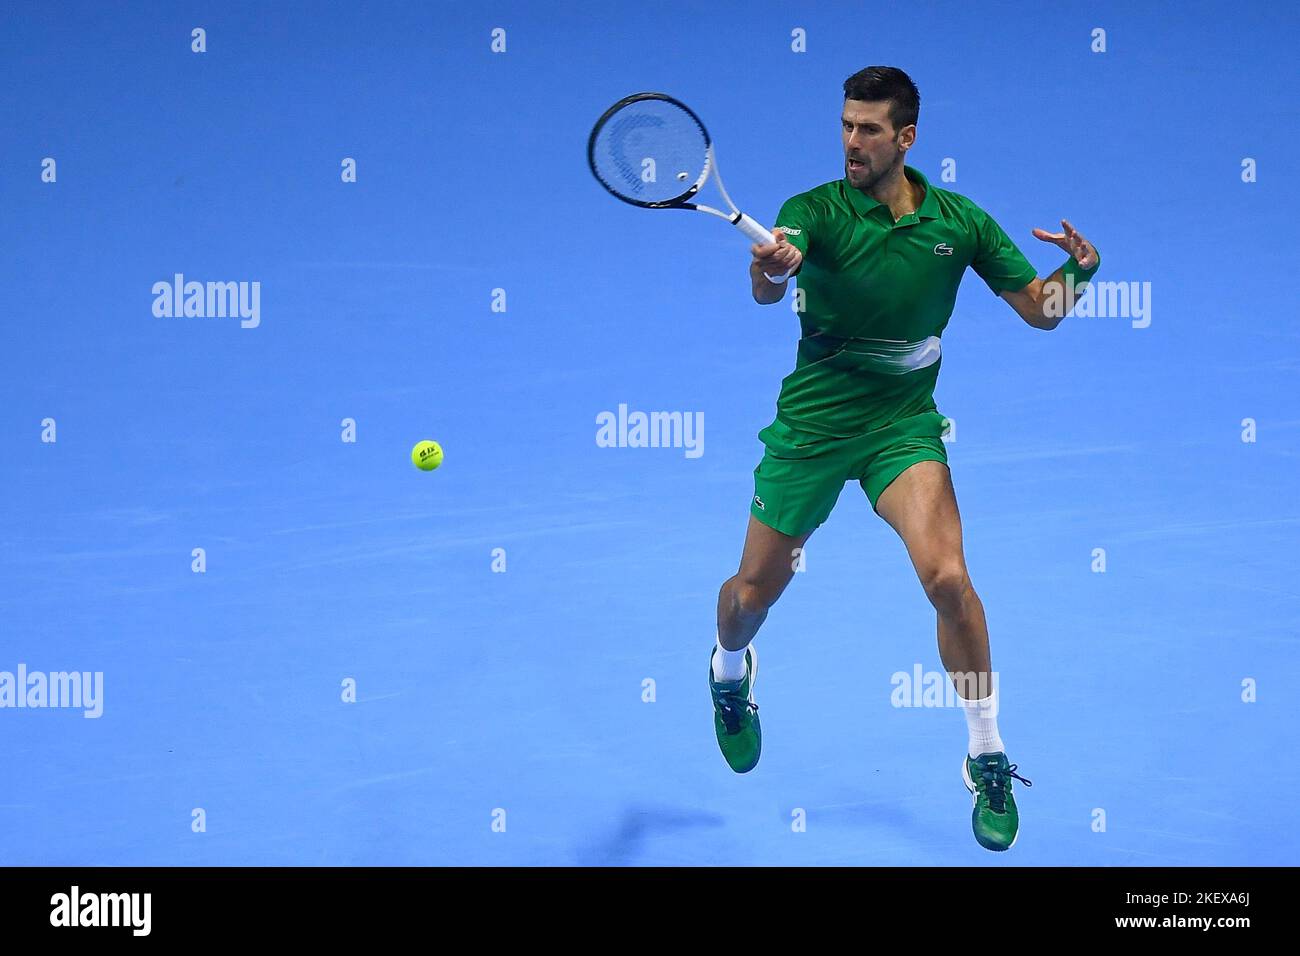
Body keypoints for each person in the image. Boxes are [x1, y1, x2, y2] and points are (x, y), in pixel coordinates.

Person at [708, 65, 1100, 852]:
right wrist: (768, 268)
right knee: (753, 593)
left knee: (950, 579)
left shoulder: (960, 223)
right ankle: (725, 673)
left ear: (906, 138)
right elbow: (774, 275)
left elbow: (1040, 314)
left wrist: (1080, 273)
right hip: (814, 426)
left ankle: (986, 753)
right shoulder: (811, 211)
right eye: (846, 125)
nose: (852, 142)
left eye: (869, 129)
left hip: (901, 426)